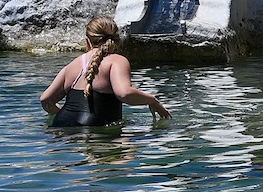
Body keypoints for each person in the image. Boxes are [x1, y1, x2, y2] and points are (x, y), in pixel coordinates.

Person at [38, 17, 170, 128]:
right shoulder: (117, 61)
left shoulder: (73, 64)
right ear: (117, 40)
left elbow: (46, 100)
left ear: (87, 41)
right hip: (94, 129)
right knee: (128, 153)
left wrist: (65, 115)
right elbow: (124, 93)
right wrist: (152, 101)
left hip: (60, 125)